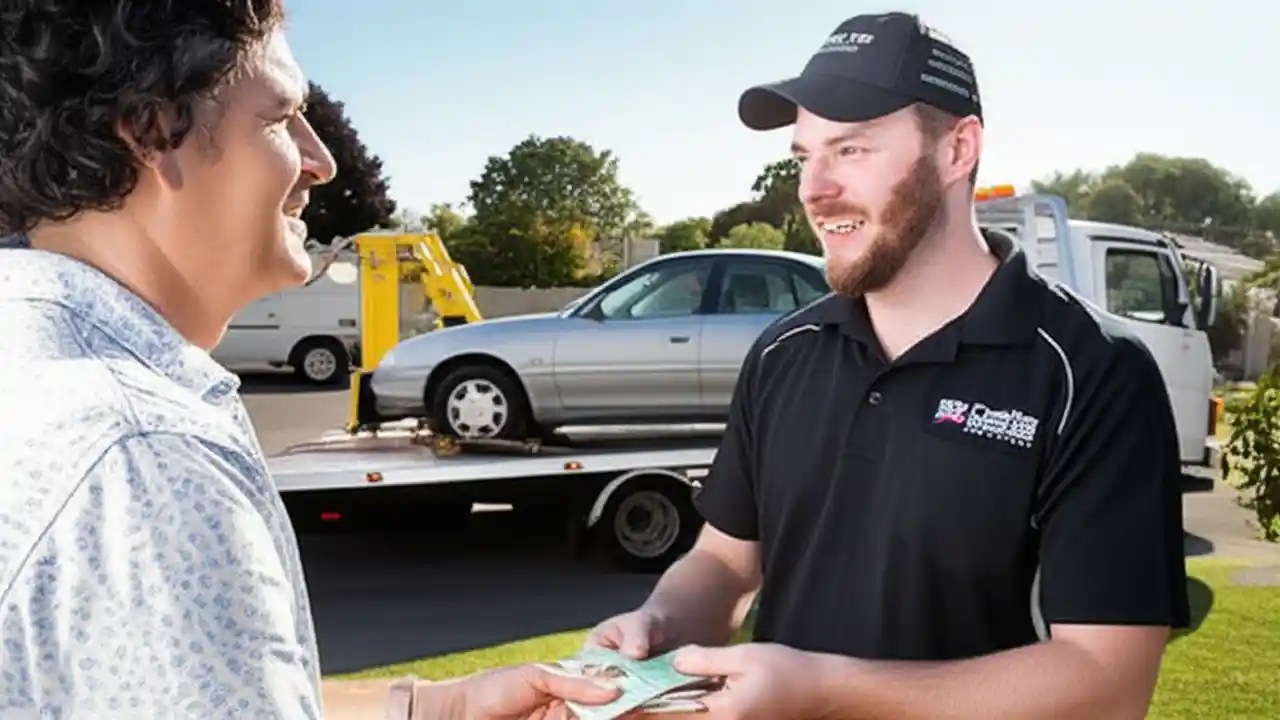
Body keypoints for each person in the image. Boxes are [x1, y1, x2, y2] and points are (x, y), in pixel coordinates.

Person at [0, 2, 617, 718]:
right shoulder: (148, 458)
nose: (320, 160)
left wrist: (431, 710)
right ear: (152, 131)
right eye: (280, 117)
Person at [586, 11, 1189, 719]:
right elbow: (724, 562)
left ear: (957, 149)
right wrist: (660, 624)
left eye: (852, 150)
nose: (813, 189)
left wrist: (823, 691)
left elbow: (1109, 683)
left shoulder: (1093, 373)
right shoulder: (783, 353)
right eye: (804, 156)